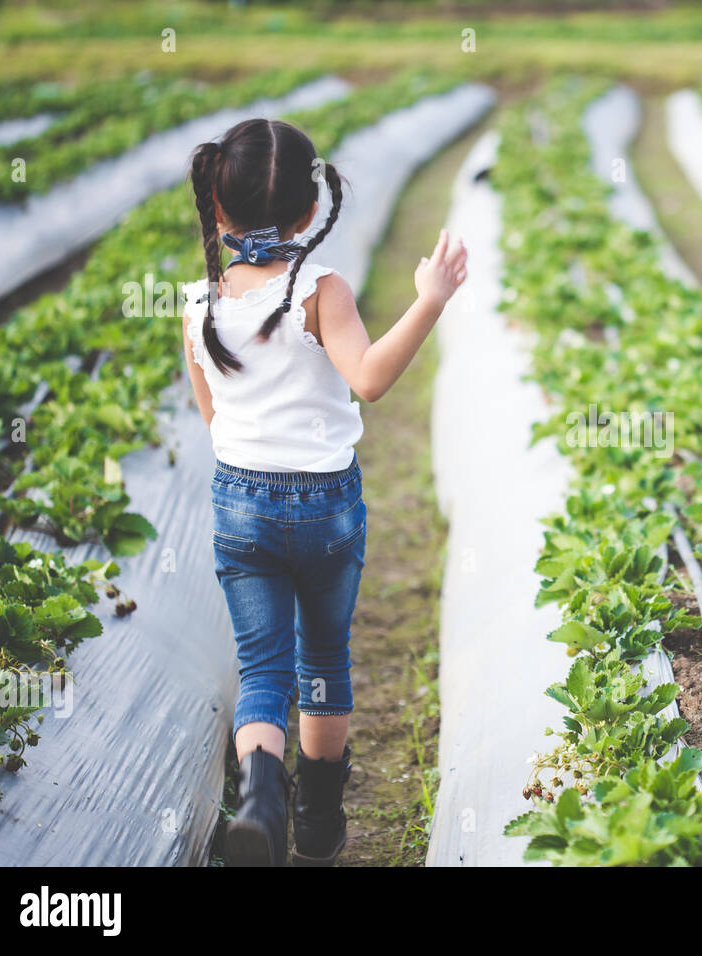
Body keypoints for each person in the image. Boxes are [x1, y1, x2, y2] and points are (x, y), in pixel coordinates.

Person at [181, 118, 466, 866]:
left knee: (264, 669)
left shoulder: (196, 304)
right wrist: (430, 300)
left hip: (239, 501)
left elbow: (214, 420)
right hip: (324, 506)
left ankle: (259, 803)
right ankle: (316, 824)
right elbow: (368, 378)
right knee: (323, 661)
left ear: (218, 207)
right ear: (312, 209)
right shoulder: (320, 288)